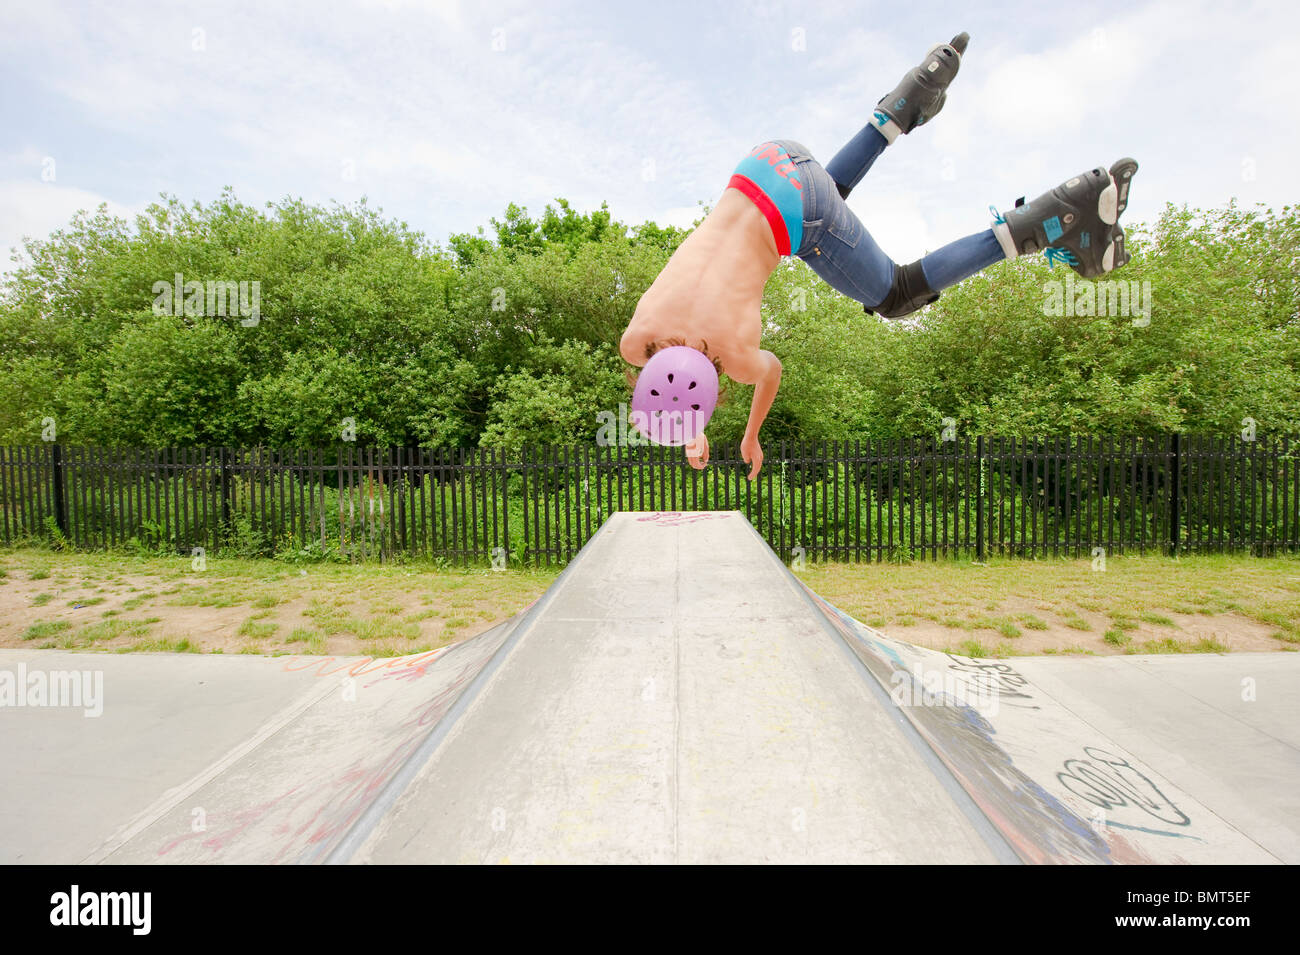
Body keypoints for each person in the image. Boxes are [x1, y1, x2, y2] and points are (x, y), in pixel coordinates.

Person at [620, 32, 1138, 480]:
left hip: (801, 207)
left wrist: (749, 436)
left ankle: (1055, 220)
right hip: (768, 162)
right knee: (821, 205)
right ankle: (906, 101)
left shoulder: (732, 354)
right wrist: (685, 421)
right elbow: (672, 375)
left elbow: (770, 370)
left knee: (898, 293)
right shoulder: (636, 338)